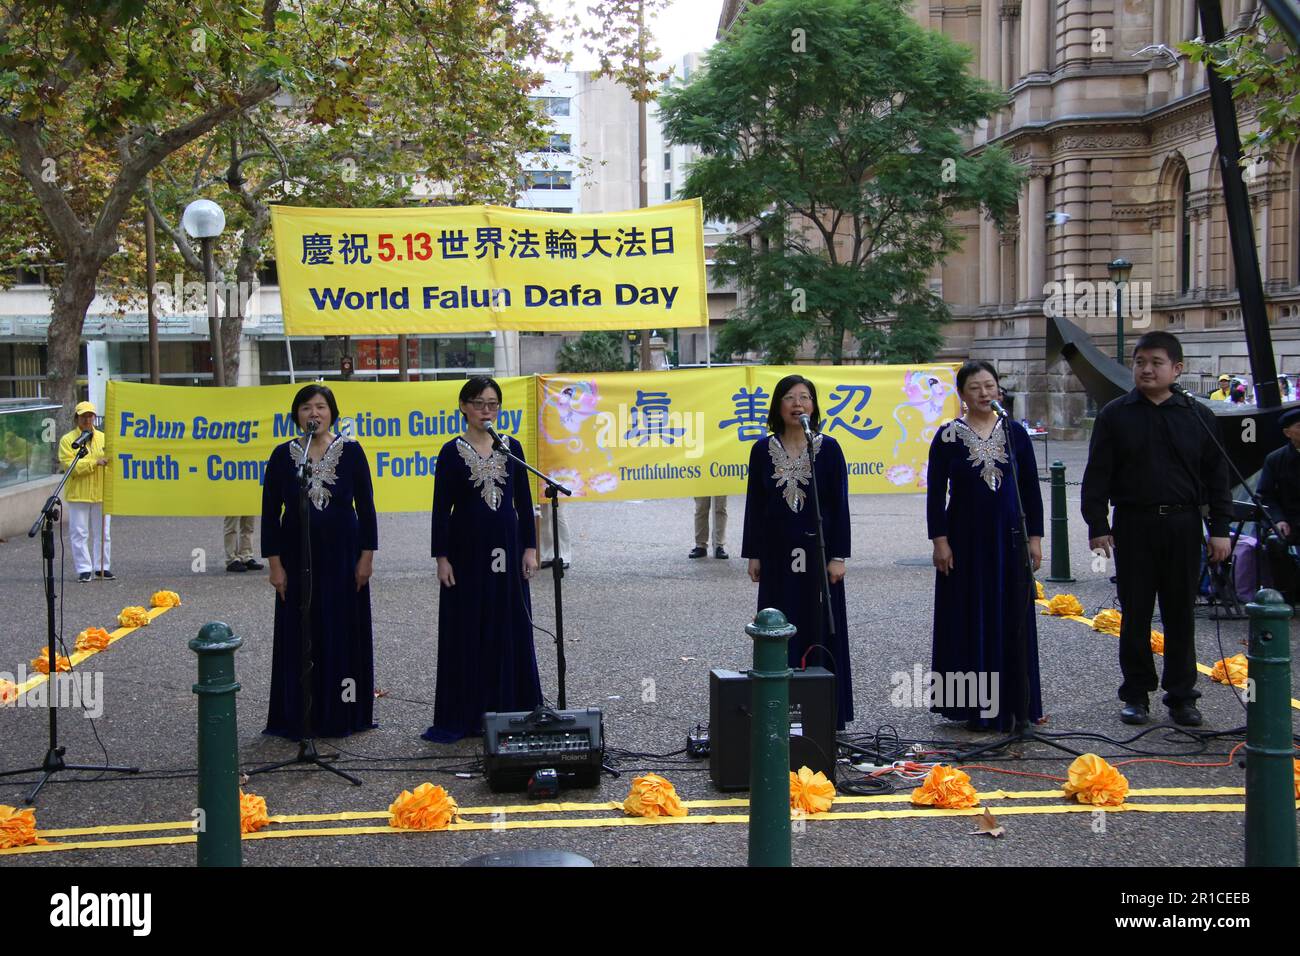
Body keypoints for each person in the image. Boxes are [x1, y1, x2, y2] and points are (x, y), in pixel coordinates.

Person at [1081, 331, 1232, 727]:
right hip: (1133, 524)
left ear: (1176, 369)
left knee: (1181, 613)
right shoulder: (1115, 414)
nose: (1146, 369)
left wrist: (1220, 529)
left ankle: (1182, 696)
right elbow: (1097, 475)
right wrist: (1098, 525)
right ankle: (1136, 694)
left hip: (1183, 523)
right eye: (1140, 362)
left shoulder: (1198, 414)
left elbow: (1218, 479)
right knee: (1136, 613)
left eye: (1156, 363)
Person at [927, 361, 1044, 732]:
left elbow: (1030, 489)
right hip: (965, 539)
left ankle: (1017, 703)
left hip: (1010, 536)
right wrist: (940, 541)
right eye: (975, 387)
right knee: (969, 615)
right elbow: (934, 494)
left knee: (1013, 616)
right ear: (961, 394)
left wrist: (1035, 539)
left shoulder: (1015, 433)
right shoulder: (947, 436)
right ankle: (974, 706)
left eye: (989, 385)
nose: (984, 393)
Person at [426, 376, 542, 743]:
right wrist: (442, 557)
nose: (485, 410)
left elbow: (524, 503)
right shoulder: (450, 451)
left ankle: (511, 708)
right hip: (466, 550)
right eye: (478, 403)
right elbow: (441, 509)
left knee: (508, 622)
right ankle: (468, 713)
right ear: (463, 406)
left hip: (507, 547)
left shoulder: (512, 448)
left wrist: (530, 548)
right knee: (468, 627)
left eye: (492, 404)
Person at [261, 384, 377, 739]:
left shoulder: (352, 452)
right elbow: (269, 513)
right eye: (307, 407)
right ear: (297, 415)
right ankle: (299, 715)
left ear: (333, 413)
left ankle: (342, 712)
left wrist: (366, 558)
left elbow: (367, 507)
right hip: (297, 559)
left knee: (341, 630)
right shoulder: (283, 456)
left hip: (343, 557)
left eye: (321, 407)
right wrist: (275, 565)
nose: (314, 413)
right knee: (301, 631)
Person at [741, 374, 853, 728]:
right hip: (776, 555)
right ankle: (779, 709)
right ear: (778, 405)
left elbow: (839, 504)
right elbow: (755, 505)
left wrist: (838, 556)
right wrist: (754, 553)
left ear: (814, 406)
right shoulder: (762, 450)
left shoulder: (829, 449)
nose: (798, 404)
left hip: (819, 555)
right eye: (789, 397)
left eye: (805, 397)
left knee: (821, 626)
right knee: (778, 624)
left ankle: (825, 713)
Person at [58, 401, 113, 583]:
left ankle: (102, 567)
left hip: (101, 491)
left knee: (103, 532)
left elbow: (111, 460)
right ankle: (84, 569)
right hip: (78, 492)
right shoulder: (68, 440)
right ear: (77, 418)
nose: (87, 419)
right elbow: (70, 465)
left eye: (90, 416)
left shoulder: (104, 438)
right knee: (79, 532)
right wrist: (94, 463)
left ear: (94, 418)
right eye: (83, 416)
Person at [1256, 407, 1300, 602]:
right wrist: (1279, 520)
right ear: (1287, 433)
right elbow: (1265, 495)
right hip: (1289, 520)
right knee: (1275, 543)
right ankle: (1287, 595)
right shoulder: (1276, 459)